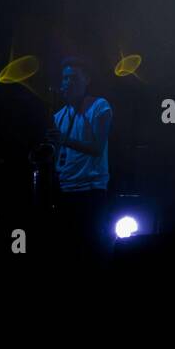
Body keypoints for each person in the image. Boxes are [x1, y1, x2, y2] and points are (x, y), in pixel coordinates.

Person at [46, 58, 113, 262]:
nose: (68, 83)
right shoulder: (58, 116)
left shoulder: (100, 106)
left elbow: (97, 148)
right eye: (65, 78)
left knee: (91, 250)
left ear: (87, 80)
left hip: (91, 191)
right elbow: (59, 156)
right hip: (65, 190)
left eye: (73, 78)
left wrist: (64, 140)